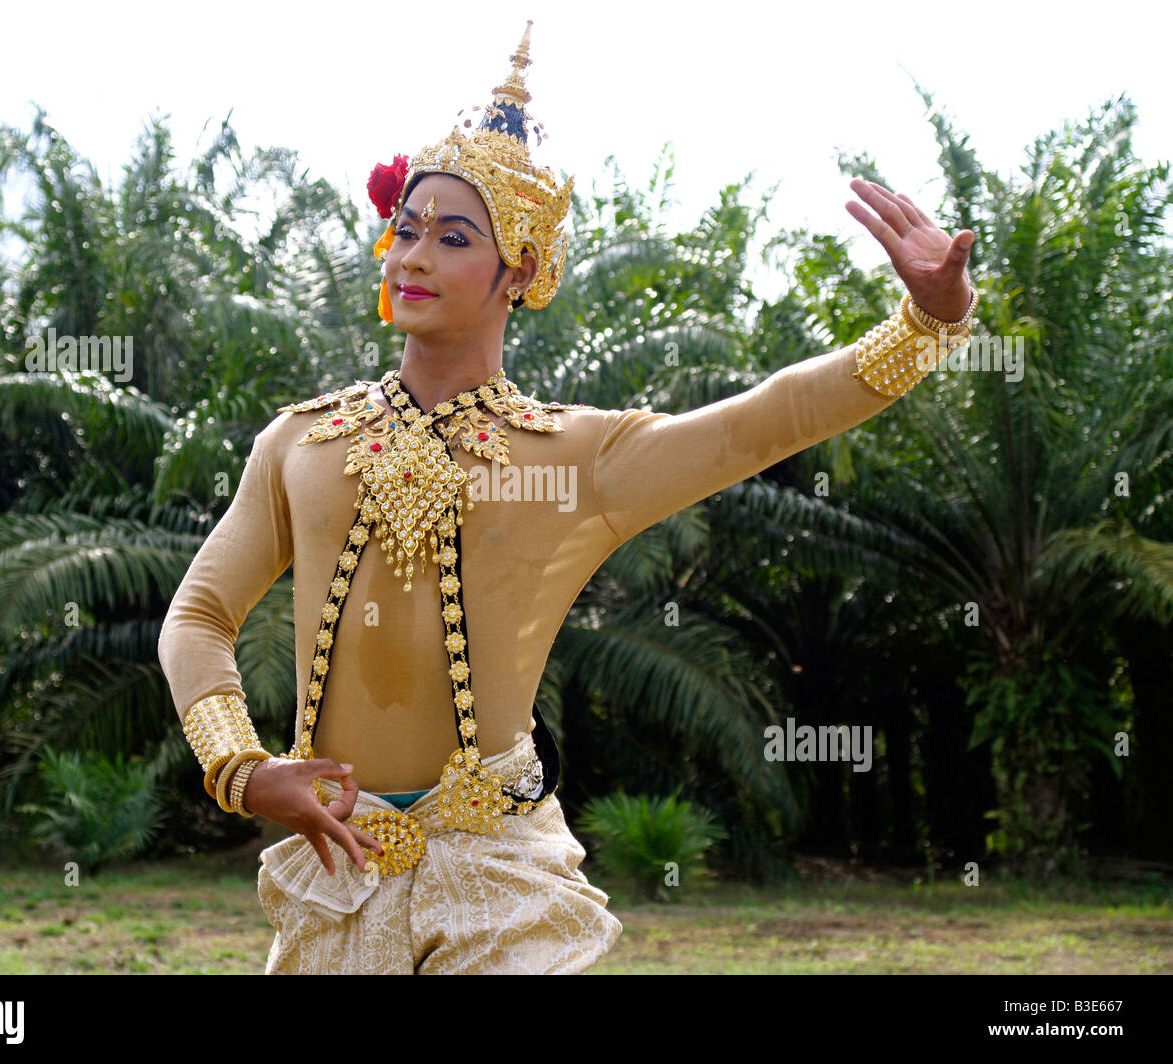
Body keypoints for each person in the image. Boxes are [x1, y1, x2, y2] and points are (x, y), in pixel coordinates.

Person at [157, 21, 978, 975]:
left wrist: (930, 323)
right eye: (407, 230)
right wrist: (243, 770)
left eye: (454, 238)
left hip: (499, 876)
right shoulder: (300, 442)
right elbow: (201, 613)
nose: (414, 255)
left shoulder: (577, 455)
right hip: (337, 869)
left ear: (521, 274)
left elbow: (761, 421)